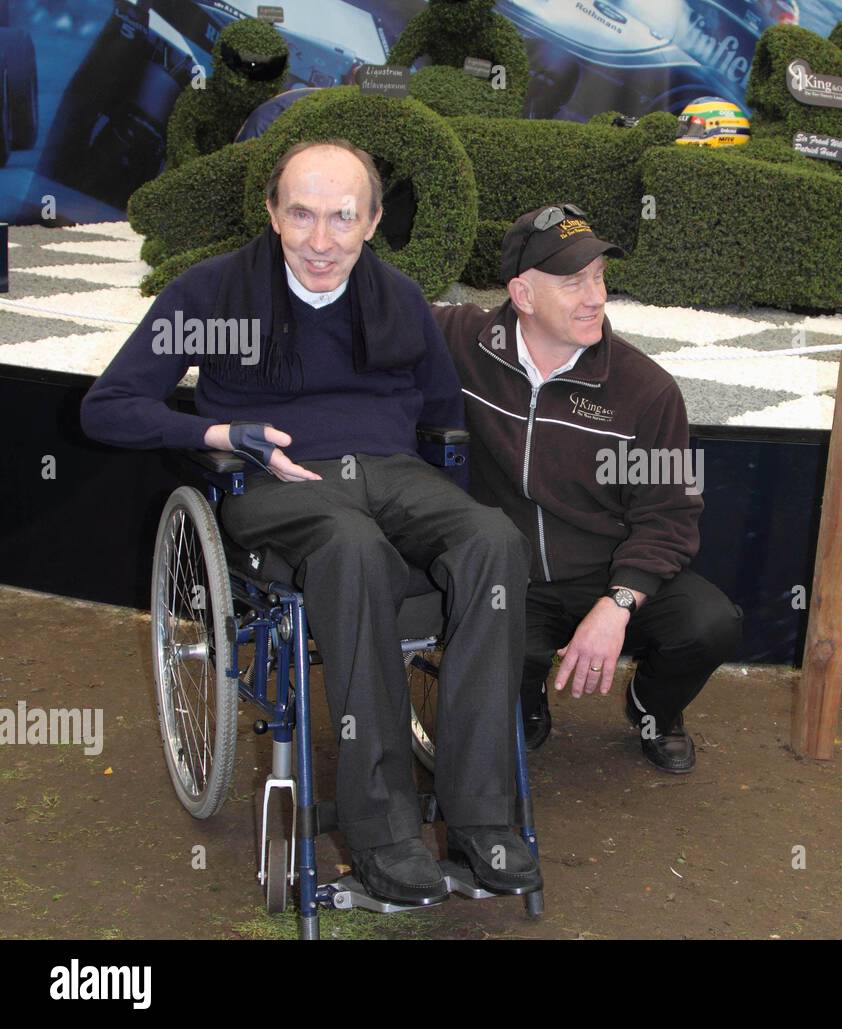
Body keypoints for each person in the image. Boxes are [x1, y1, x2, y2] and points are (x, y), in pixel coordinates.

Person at [80, 139, 540, 904]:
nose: (321, 241)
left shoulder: (399, 298)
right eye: (301, 215)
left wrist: (444, 512)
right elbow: (109, 407)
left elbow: (441, 418)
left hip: (391, 473)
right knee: (349, 543)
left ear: (373, 221)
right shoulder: (213, 295)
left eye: (342, 217)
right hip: (275, 479)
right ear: (271, 211)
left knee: (492, 539)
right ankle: (384, 831)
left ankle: (482, 819)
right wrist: (220, 435)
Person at [432, 204, 743, 773]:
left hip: (609, 569)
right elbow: (375, 314)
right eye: (574, 282)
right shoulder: (462, 343)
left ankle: (654, 709)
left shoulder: (646, 390)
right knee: (498, 640)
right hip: (511, 572)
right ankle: (526, 702)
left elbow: (671, 515)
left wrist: (619, 602)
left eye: (599, 276)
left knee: (710, 624)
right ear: (522, 295)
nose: (596, 297)